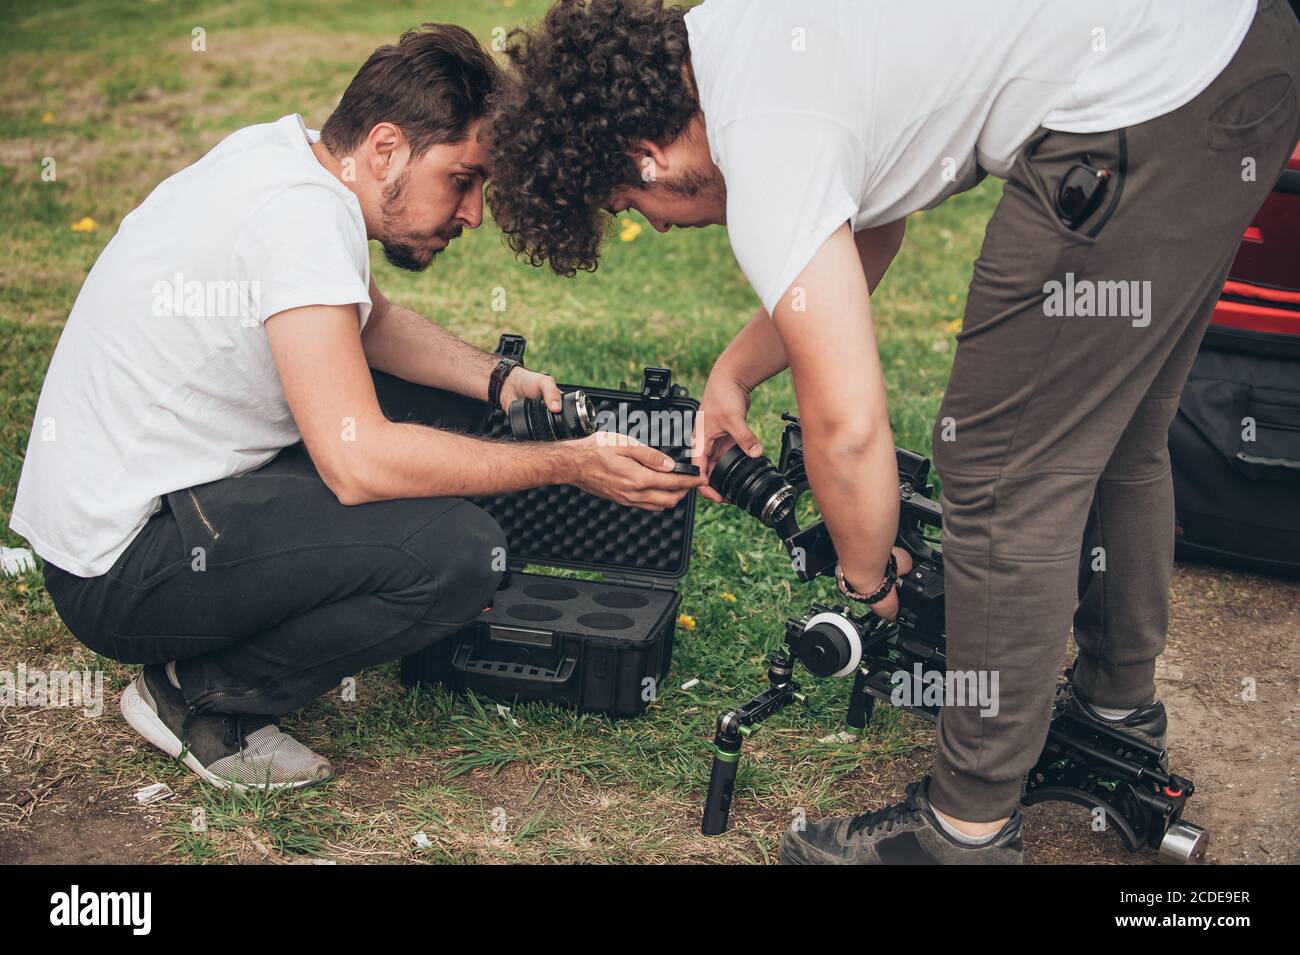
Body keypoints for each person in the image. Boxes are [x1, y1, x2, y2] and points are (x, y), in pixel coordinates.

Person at [483, 0, 1300, 863]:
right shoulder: (745, 42)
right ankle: (1115, 709)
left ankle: (965, 827)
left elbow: (848, 428)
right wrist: (735, 375)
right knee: (1121, 432)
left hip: (1139, 99)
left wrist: (870, 573)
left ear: (648, 155)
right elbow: (871, 234)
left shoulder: (759, 132)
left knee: (998, 466)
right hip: (1238, 55)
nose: (655, 224)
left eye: (630, 203)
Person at [9, 23, 703, 792]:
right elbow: (357, 463)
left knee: (451, 410)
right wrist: (566, 463)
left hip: (149, 509)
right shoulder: (300, 217)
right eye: (463, 179)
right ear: (385, 149)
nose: (473, 212)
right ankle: (198, 694)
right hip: (119, 568)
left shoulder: (287, 160)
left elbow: (368, 323)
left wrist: (497, 379)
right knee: (460, 555)